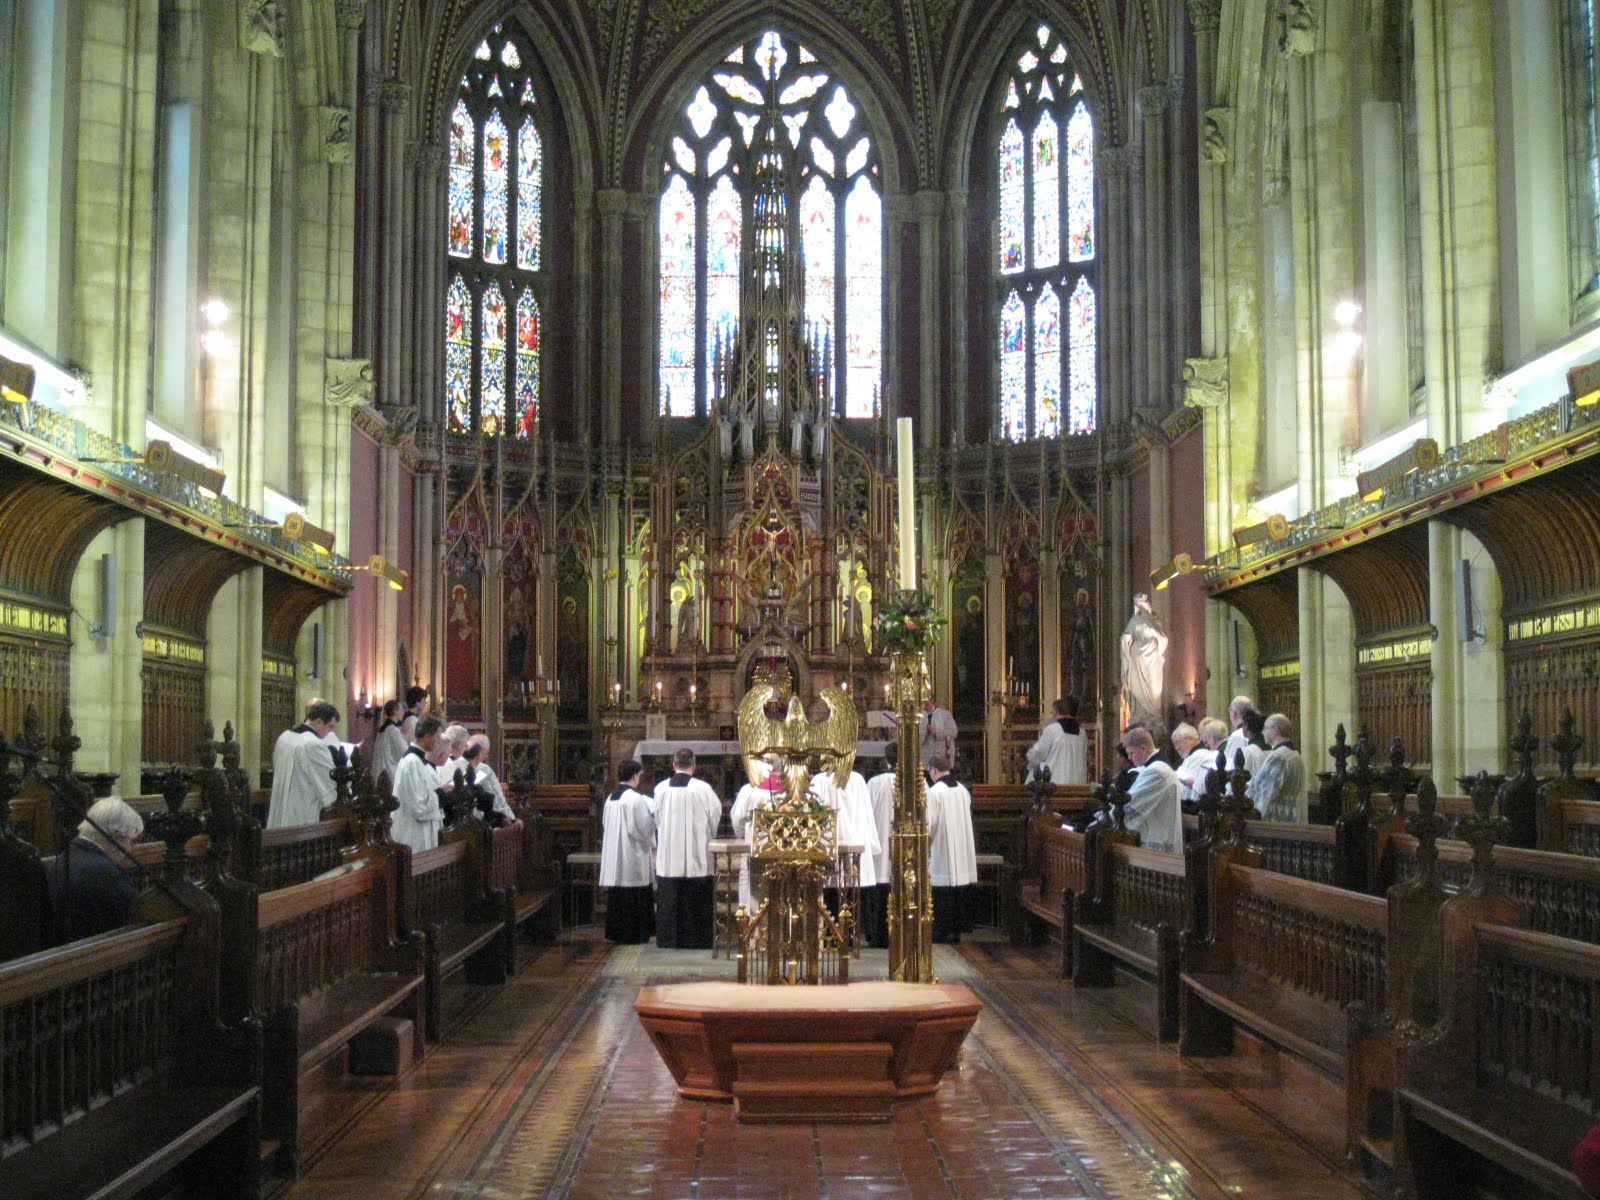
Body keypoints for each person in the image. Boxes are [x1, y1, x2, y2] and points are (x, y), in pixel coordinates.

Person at [651, 748, 723, 949]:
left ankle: (668, 939)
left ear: (673, 765)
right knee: (697, 896)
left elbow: (656, 817)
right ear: (694, 766)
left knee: (669, 895)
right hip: (697, 854)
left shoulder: (660, 789)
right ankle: (698, 939)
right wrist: (709, 833)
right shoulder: (703, 789)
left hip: (669, 855)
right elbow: (715, 815)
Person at [47, 797, 144, 943]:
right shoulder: (107, 874)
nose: (130, 849)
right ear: (117, 838)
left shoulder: (61, 860)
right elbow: (133, 920)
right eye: (131, 841)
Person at [810, 761, 881, 934]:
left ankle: (833, 933)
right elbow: (866, 812)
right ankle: (849, 933)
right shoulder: (857, 780)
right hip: (854, 839)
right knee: (848, 889)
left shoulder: (821, 780)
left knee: (833, 889)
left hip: (831, 841)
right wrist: (870, 841)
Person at [599, 759, 656, 944]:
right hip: (632, 853)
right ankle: (635, 934)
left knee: (618, 895)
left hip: (615, 854)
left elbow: (605, 824)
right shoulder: (635, 799)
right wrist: (653, 825)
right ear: (635, 776)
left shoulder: (610, 798)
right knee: (634, 893)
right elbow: (640, 829)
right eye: (639, 775)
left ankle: (617, 932)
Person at [926, 755, 977, 945]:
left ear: (933, 770)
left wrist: (925, 841)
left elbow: (929, 823)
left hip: (942, 846)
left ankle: (940, 932)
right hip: (961, 846)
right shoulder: (963, 790)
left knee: (943, 890)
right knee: (957, 889)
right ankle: (956, 931)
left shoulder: (935, 791)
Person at [266, 701, 341, 829]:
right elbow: (329, 785)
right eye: (329, 727)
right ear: (318, 721)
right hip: (300, 815)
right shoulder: (313, 744)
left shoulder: (284, 736)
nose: (330, 732)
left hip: (280, 808)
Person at [729, 759, 782, 914]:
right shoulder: (792, 789)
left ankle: (753, 934)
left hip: (754, 849)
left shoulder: (749, 789)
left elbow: (737, 818)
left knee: (752, 898)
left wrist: (742, 836)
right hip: (783, 851)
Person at [1122, 727, 1183, 853]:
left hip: (1158, 847)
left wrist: (1103, 819)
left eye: (1131, 753)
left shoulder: (1156, 771)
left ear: (1143, 749)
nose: (1129, 758)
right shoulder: (1158, 767)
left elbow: (1133, 803)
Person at [391, 714, 447, 852]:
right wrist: (442, 793)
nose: (439, 741)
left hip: (420, 830)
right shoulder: (412, 762)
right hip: (413, 833)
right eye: (437, 736)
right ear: (427, 736)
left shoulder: (418, 761)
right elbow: (419, 806)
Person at [863, 743, 899, 948]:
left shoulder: (875, 783)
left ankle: (875, 935)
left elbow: (866, 813)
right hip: (902, 847)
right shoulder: (912, 781)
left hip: (878, 844)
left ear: (886, 760)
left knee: (878, 888)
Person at [1248, 713, 1309, 822]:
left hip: (1278, 824)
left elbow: (1265, 791)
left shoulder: (1278, 757)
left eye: (1265, 728)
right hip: (1293, 820)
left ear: (1275, 730)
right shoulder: (1295, 754)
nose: (1262, 732)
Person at [1119, 593, 1168, 727]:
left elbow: (1163, 639)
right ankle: (1139, 714)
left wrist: (1154, 633)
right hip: (1136, 659)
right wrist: (1126, 638)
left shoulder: (1155, 621)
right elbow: (1126, 636)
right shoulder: (1134, 620)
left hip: (1152, 659)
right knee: (1136, 687)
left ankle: (1152, 714)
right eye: (1137, 604)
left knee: (1153, 688)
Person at [1026, 697, 1088, 786]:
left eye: (1051, 712)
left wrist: (1029, 755)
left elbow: (1038, 753)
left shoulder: (1053, 729)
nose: (1050, 716)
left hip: (1054, 785)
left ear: (1057, 713)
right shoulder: (1082, 732)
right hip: (1077, 784)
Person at [463, 733, 516, 824]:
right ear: (481, 753)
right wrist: (510, 818)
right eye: (486, 754)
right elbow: (497, 800)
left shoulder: (455, 763)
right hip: (480, 820)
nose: (486, 757)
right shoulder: (482, 769)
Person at [1176, 717, 1228, 804]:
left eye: (1207, 740)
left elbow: (1205, 785)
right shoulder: (1229, 747)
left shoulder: (1215, 755)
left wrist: (1193, 783)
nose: (1206, 743)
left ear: (1212, 740)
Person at [372, 699, 408, 784]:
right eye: (401, 710)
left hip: (379, 769)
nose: (403, 712)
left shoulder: (382, 730)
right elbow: (402, 751)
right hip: (390, 771)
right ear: (395, 712)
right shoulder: (393, 730)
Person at [919, 695, 957, 770]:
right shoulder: (920, 716)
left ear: (933, 702)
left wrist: (936, 732)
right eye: (923, 703)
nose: (925, 705)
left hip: (941, 755)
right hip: (925, 758)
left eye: (927, 703)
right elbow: (916, 737)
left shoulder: (945, 714)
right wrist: (926, 733)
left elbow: (953, 732)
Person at [1221, 695, 1254, 767]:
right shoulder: (1257, 732)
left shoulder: (1238, 735)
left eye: (1230, 710)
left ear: (1234, 713)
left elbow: (1228, 765)